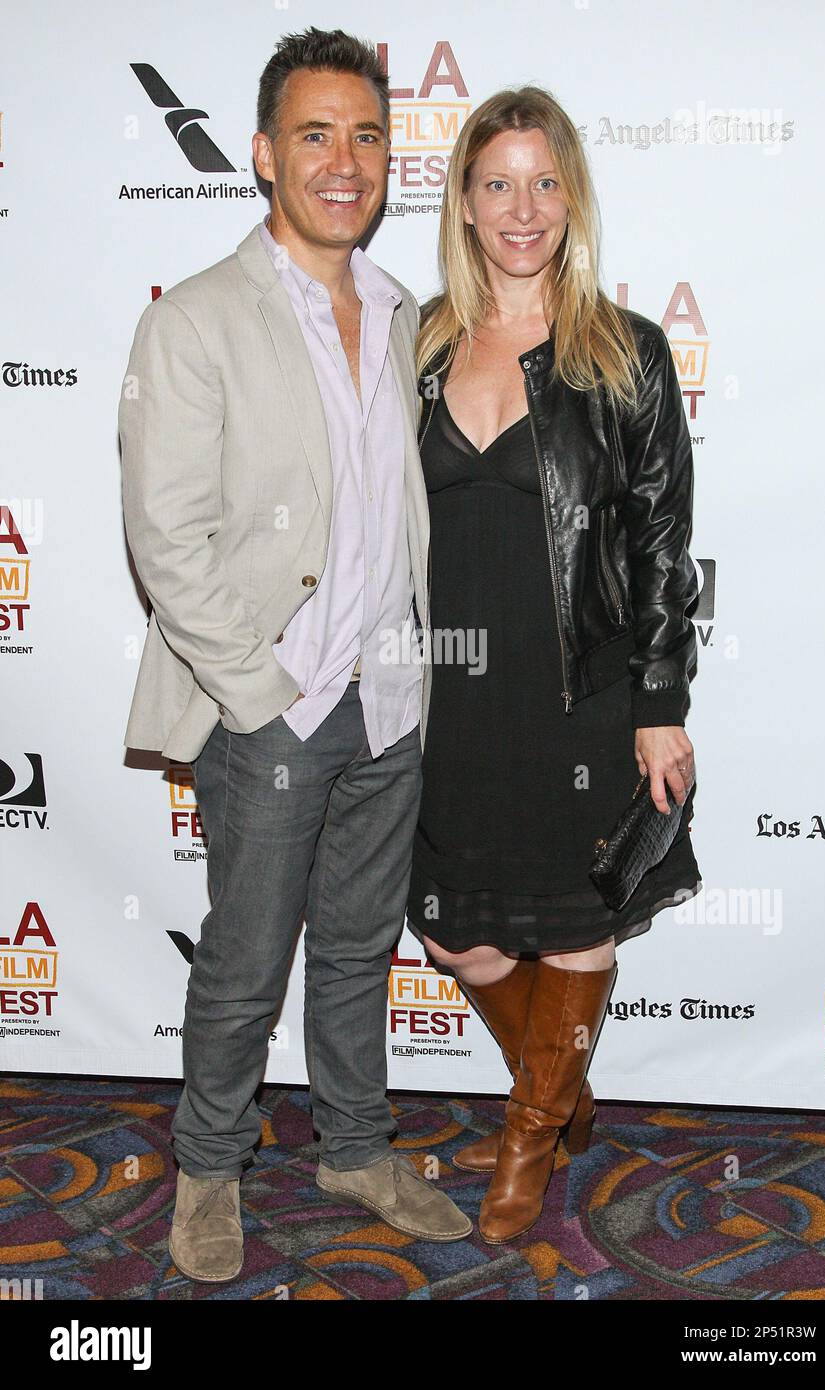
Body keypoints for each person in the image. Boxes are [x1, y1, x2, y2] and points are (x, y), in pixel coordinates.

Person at [119, 27, 471, 1284]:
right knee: (243, 959)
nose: (344, 159)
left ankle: (353, 1148)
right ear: (264, 155)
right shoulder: (200, 319)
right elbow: (167, 537)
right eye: (315, 134)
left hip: (387, 703)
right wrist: (258, 697)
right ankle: (207, 1171)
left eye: (367, 135)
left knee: (359, 949)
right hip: (269, 700)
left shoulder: (400, 312)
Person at [407, 85, 703, 1244]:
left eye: (542, 181)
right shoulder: (422, 342)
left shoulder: (620, 351)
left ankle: (530, 1131)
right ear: (465, 204)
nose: (520, 207)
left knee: (576, 921)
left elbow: (662, 542)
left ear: (570, 193)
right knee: (454, 929)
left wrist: (660, 704)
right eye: (495, 183)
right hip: (446, 690)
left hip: (581, 692)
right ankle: (557, 1088)